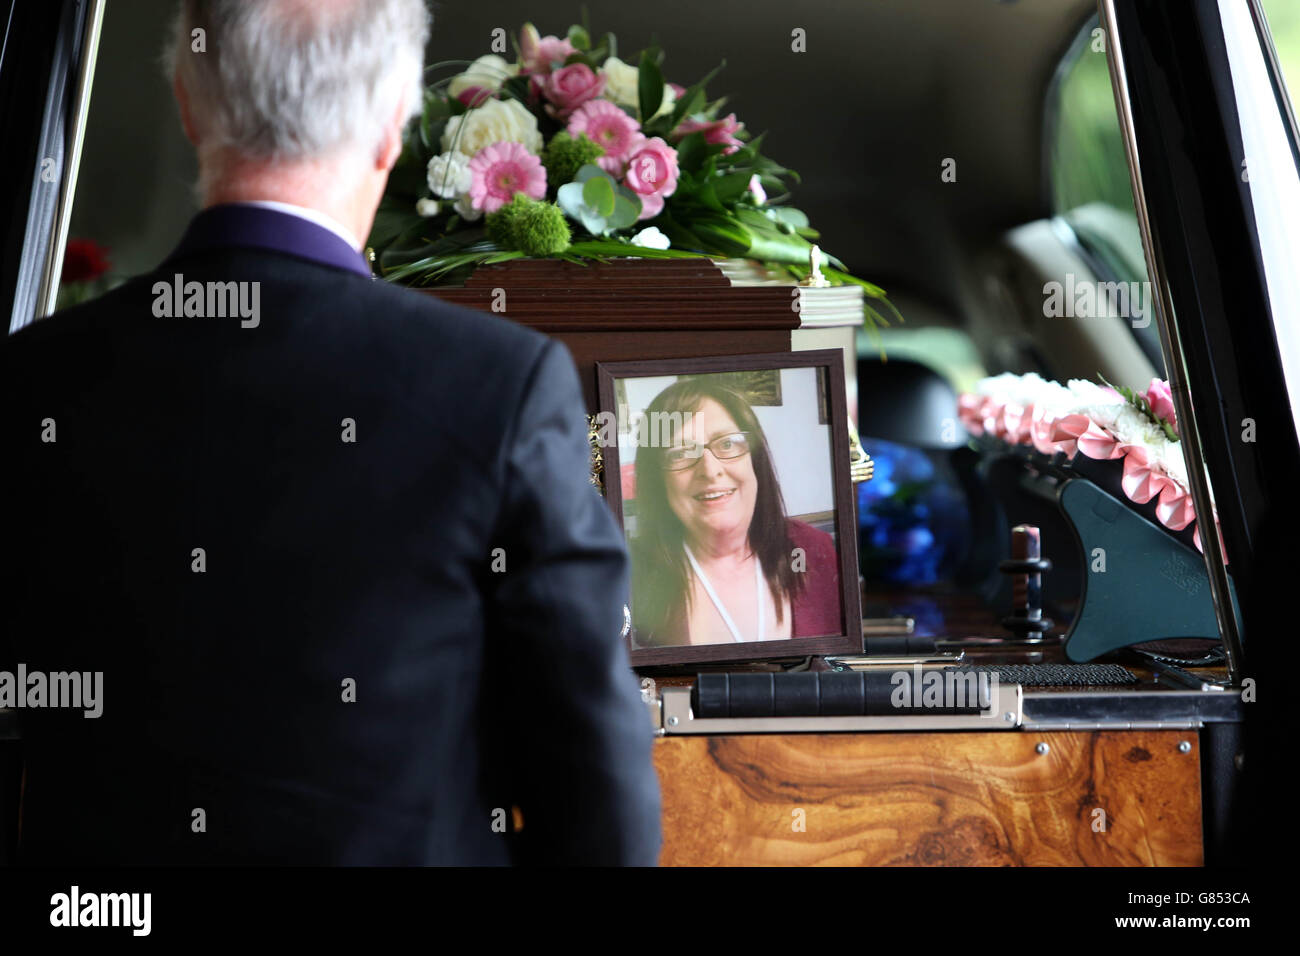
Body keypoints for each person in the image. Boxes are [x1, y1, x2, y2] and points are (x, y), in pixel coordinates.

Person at [0, 0, 660, 865]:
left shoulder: (29, 380)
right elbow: (599, 801)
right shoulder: (501, 387)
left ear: (187, 101)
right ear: (394, 126)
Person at [629, 378, 841, 647]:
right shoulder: (631, 577)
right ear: (658, 480)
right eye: (681, 452)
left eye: (727, 444)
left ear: (755, 460)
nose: (710, 470)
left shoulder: (814, 549)